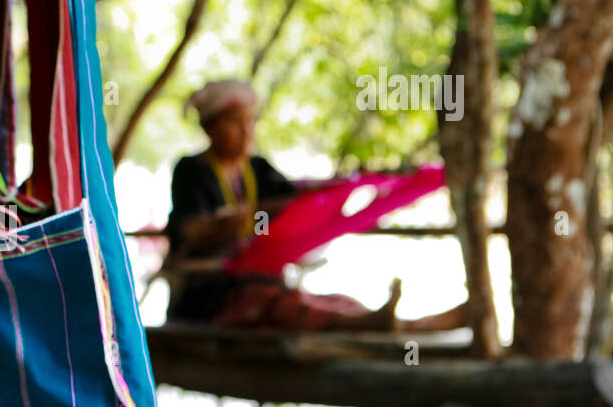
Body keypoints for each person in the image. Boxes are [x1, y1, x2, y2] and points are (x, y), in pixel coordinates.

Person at [164, 79, 466, 331]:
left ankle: (408, 325)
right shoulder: (191, 170)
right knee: (284, 306)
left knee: (330, 300)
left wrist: (341, 190)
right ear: (209, 127)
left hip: (258, 280)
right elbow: (189, 230)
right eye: (235, 122)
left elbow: (296, 202)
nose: (246, 132)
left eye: (250, 122)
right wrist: (220, 225)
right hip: (210, 295)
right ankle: (398, 328)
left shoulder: (257, 168)